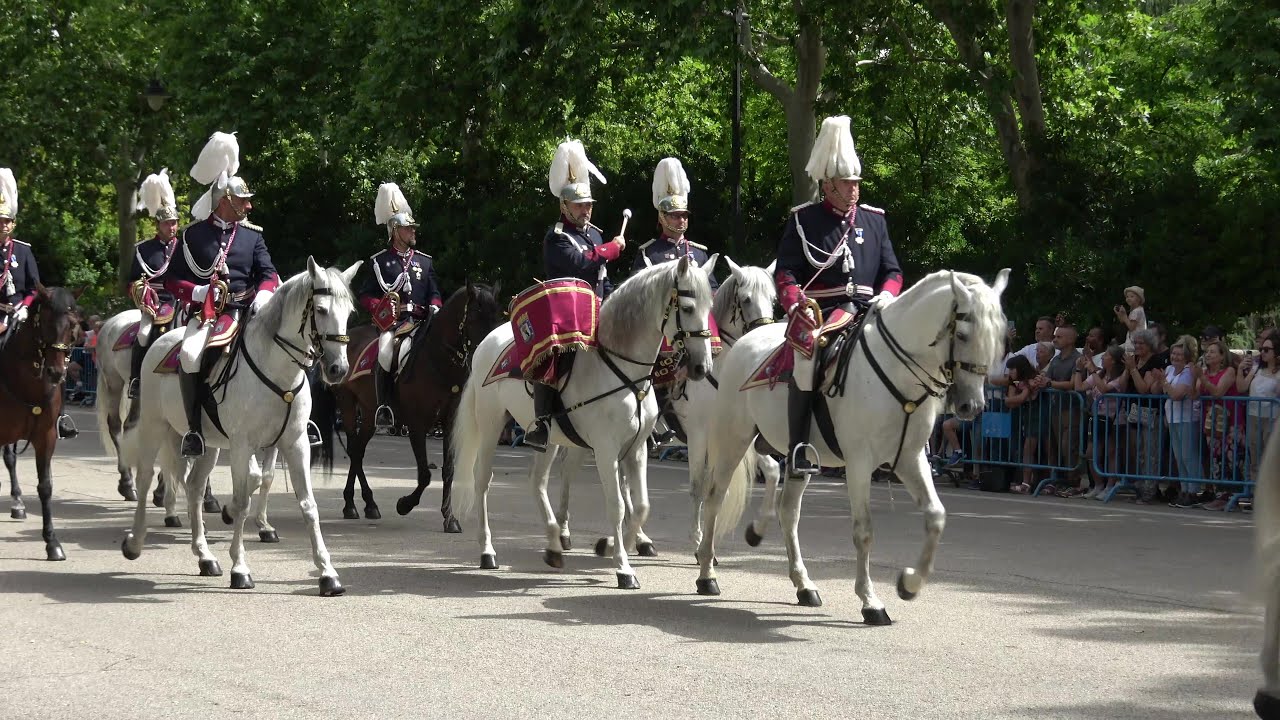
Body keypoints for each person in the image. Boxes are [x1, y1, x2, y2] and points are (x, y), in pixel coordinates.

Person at [775, 115, 903, 477]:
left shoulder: (874, 221)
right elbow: (785, 272)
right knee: (806, 360)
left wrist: (888, 296)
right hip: (824, 313)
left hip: (871, 311)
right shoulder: (805, 220)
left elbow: (892, 272)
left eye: (856, 183)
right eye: (847, 183)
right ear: (828, 185)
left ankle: (905, 441)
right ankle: (798, 447)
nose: (854, 189)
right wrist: (797, 302)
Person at [164, 132, 280, 457]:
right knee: (188, 355)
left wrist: (266, 294)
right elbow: (173, 281)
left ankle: (291, 421)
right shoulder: (193, 236)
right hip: (210, 314)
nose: (249, 205)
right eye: (243, 200)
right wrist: (197, 291)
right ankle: (194, 430)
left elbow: (268, 273)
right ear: (225, 200)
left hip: (250, 311)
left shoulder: (252, 236)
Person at [524, 140, 628, 451]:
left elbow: (601, 276)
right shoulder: (557, 238)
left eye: (589, 205)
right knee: (554, 357)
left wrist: (615, 299)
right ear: (564, 206)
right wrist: (610, 249)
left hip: (598, 307)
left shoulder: (593, 233)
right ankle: (541, 421)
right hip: (566, 313)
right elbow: (579, 263)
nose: (585, 210)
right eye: (580, 205)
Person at [357, 183, 442, 430]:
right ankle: (384, 406)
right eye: (408, 228)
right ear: (395, 230)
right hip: (394, 325)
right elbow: (365, 295)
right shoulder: (380, 262)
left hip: (423, 321)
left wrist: (435, 306)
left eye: (413, 227)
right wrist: (381, 307)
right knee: (385, 354)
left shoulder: (424, 262)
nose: (413, 231)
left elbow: (434, 292)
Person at [0, 168, 77, 439]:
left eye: (8, 221)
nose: (4, 226)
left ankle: (61, 415)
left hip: (22, 312)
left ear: (13, 224)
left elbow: (35, 286)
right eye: (0, 221)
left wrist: (24, 305)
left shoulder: (23, 250)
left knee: (54, 355)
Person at [124, 170, 181, 424]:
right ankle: (137, 379)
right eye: (168, 223)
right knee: (144, 334)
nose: (173, 227)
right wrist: (143, 294)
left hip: (181, 300)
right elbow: (132, 281)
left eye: (175, 222)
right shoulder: (143, 250)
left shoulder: (184, 248)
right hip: (155, 304)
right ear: (157, 224)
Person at [632, 157, 718, 289]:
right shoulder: (649, 253)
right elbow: (636, 293)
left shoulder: (699, 254)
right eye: (675, 216)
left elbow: (712, 290)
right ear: (662, 218)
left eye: (684, 215)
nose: (682, 220)